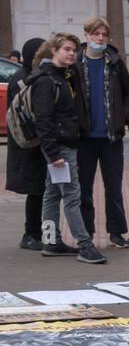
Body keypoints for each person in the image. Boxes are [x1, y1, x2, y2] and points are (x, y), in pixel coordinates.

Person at [32, 34, 106, 264]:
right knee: (72, 195)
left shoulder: (63, 76)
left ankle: (51, 242)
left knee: (52, 194)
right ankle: (85, 244)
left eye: (74, 49)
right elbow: (42, 120)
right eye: (66, 49)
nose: (72, 53)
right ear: (53, 51)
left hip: (63, 145)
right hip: (60, 148)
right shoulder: (47, 81)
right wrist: (53, 154)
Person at [75, 17, 129, 247]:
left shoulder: (115, 62)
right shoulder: (77, 63)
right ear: (87, 35)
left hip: (110, 136)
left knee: (114, 186)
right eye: (95, 34)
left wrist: (123, 116)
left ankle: (116, 232)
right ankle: (85, 233)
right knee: (84, 188)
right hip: (84, 137)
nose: (100, 38)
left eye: (104, 35)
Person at [6, 37, 53, 251]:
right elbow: (23, 114)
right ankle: (30, 234)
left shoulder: (31, 76)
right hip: (29, 144)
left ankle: (39, 232)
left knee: (41, 190)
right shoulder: (22, 79)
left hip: (34, 144)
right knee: (36, 190)